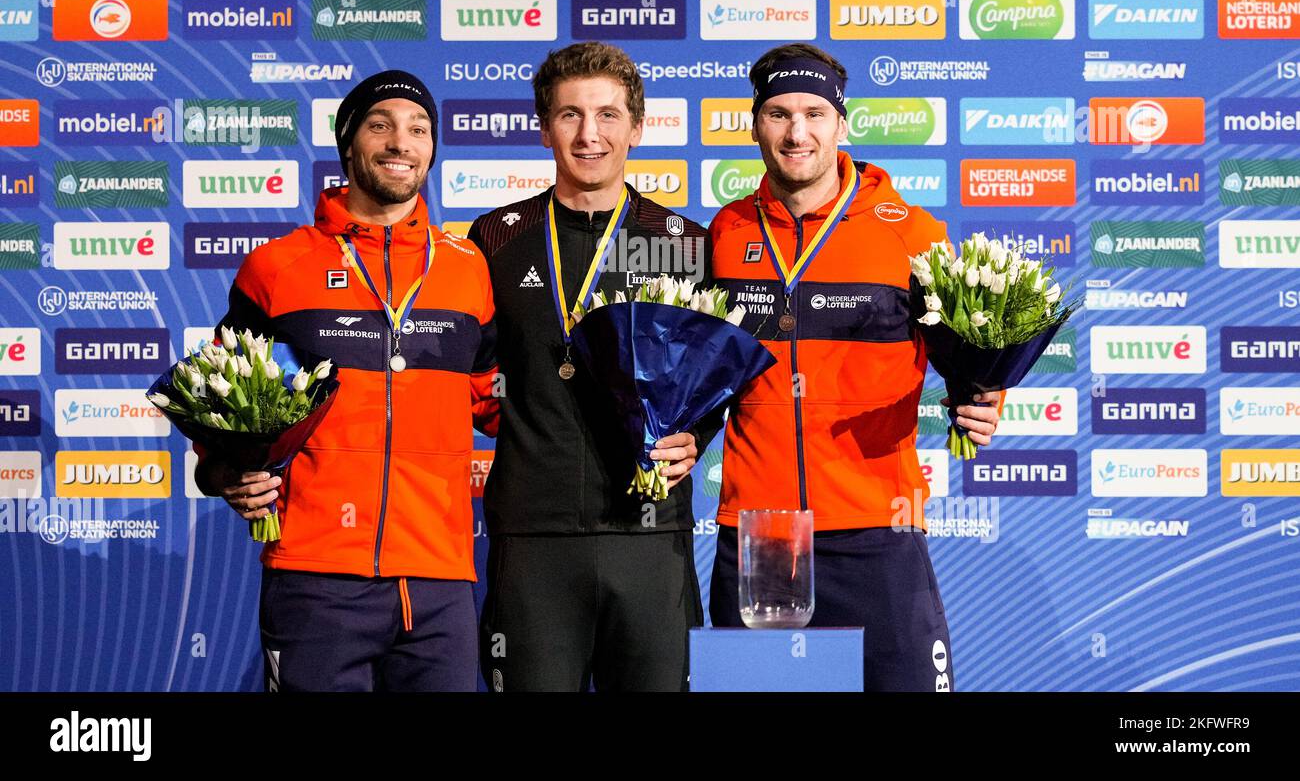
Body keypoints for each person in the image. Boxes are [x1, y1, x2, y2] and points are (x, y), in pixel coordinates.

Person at [707, 43, 1002, 692]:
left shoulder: (911, 233)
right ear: (756, 123)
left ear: (843, 123)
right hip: (760, 535)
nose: (797, 132)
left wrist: (982, 397)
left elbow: (966, 355)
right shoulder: (724, 235)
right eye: (779, 114)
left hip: (877, 528)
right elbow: (701, 371)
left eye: (814, 112)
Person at [195, 70, 498, 692]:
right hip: (316, 574)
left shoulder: (469, 271)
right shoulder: (277, 267)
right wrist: (227, 475)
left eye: (418, 130)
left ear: (433, 150)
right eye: (380, 125)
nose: (400, 143)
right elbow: (217, 409)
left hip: (440, 580)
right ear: (348, 142)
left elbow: (497, 401)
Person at [468, 41, 721, 691]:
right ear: (544, 125)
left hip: (649, 536)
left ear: (637, 127)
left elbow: (716, 377)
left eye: (608, 115)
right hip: (533, 539)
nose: (590, 135)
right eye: (570, 115)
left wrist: (698, 433)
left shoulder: (687, 244)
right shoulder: (493, 239)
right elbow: (467, 372)